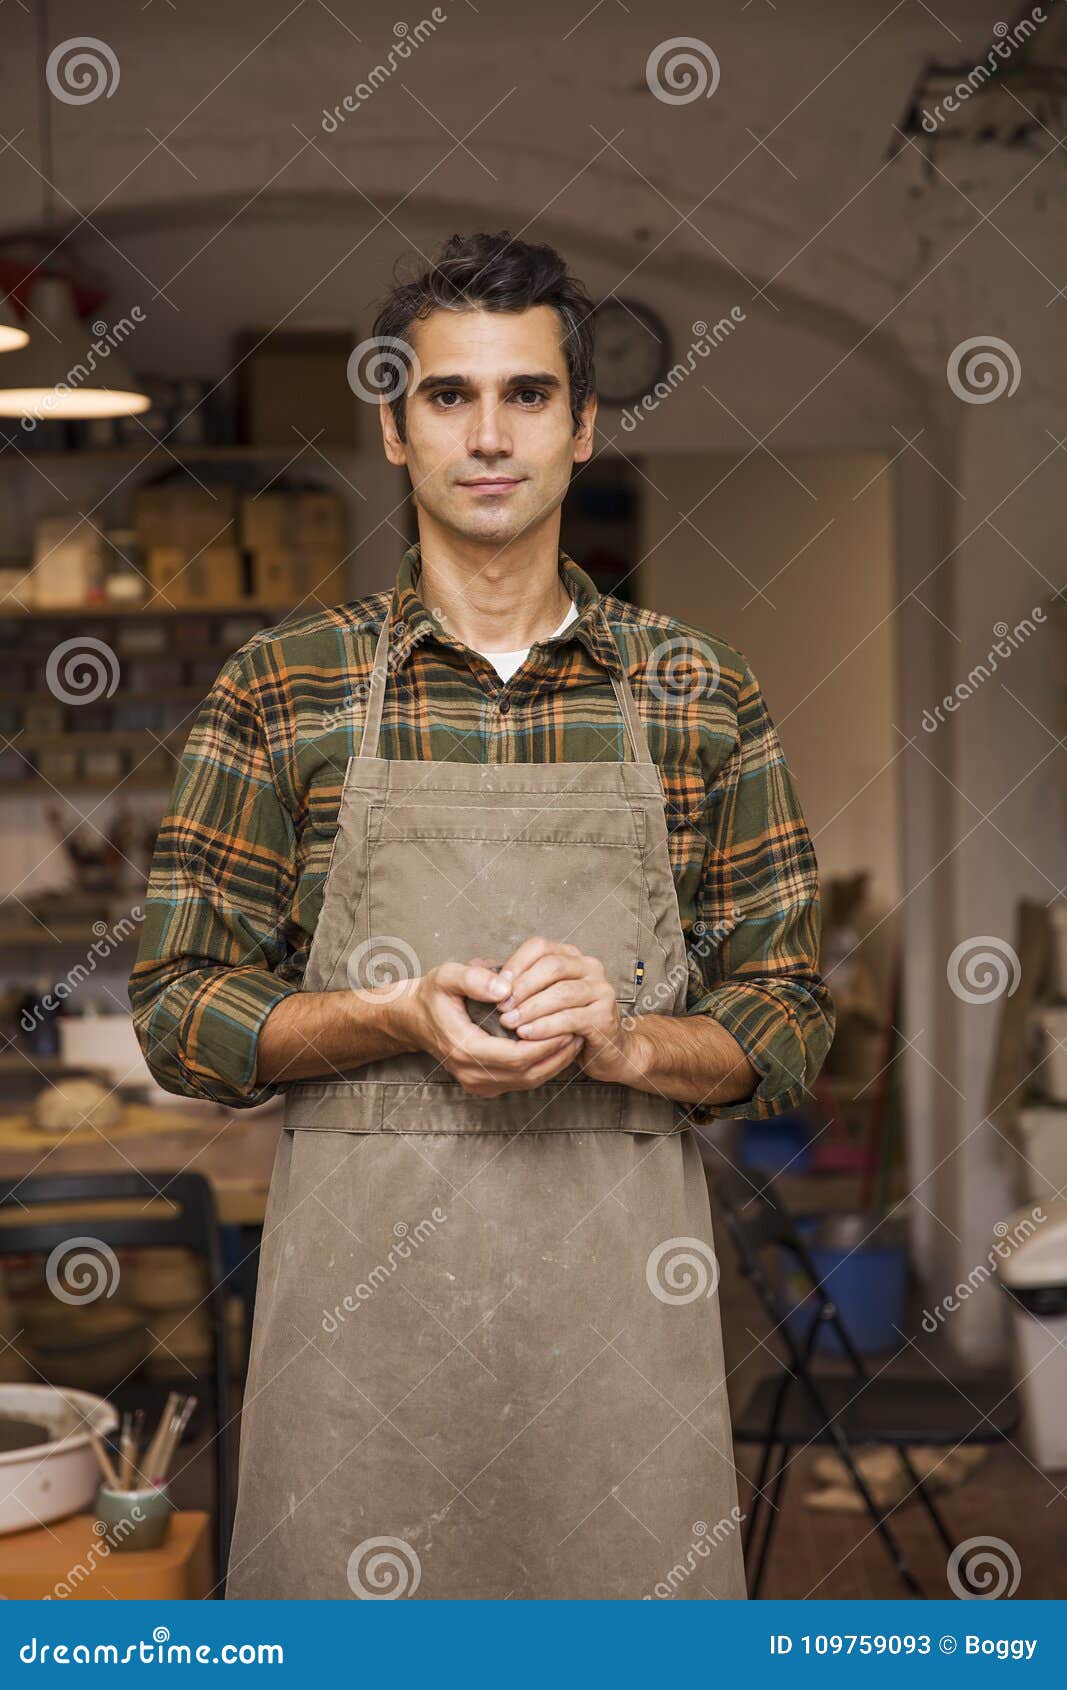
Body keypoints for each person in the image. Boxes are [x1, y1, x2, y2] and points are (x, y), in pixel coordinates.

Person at [130, 230, 835, 1600]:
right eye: (449, 396)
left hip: (622, 1340)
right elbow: (176, 1006)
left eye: (527, 393)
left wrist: (631, 1041)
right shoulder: (286, 690)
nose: (490, 433)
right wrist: (389, 1014)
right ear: (394, 428)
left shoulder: (698, 693)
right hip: (361, 1349)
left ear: (583, 425)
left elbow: (791, 1011)